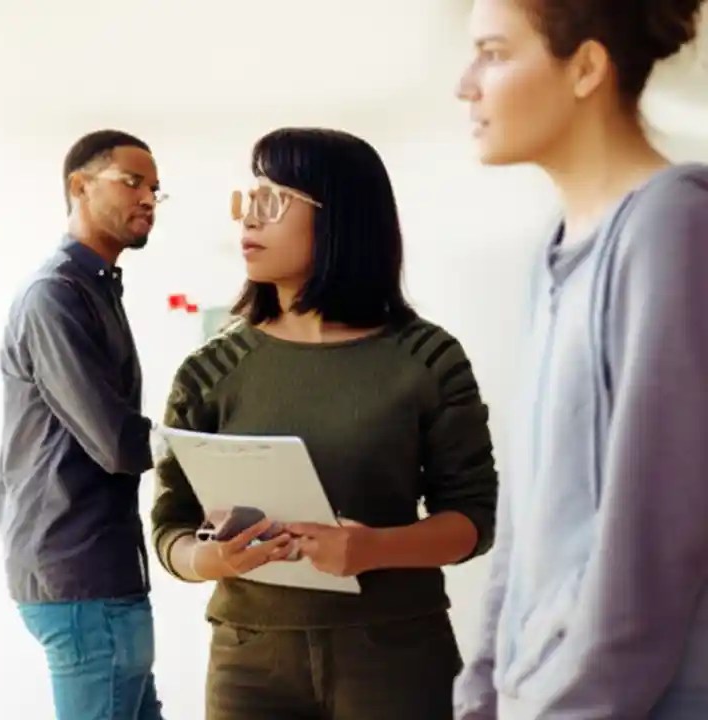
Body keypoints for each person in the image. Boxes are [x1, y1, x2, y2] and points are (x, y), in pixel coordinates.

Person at [150, 128, 499, 720]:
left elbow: (474, 520)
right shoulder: (210, 370)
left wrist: (374, 548)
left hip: (396, 656)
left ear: (341, 219)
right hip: (248, 664)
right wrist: (213, 560)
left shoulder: (428, 359)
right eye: (248, 199)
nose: (248, 219)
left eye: (274, 200)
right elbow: (170, 529)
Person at [453, 1, 708, 717]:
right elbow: (529, 516)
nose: (466, 84)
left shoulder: (673, 226)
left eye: (495, 53)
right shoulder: (551, 250)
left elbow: (656, 542)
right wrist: (479, 690)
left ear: (587, 67)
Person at [0, 130, 165, 719]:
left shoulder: (96, 289)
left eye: (155, 189)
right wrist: (215, 455)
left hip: (102, 574)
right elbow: (116, 442)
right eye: (132, 182)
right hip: (82, 577)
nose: (147, 197)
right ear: (80, 186)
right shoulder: (57, 294)